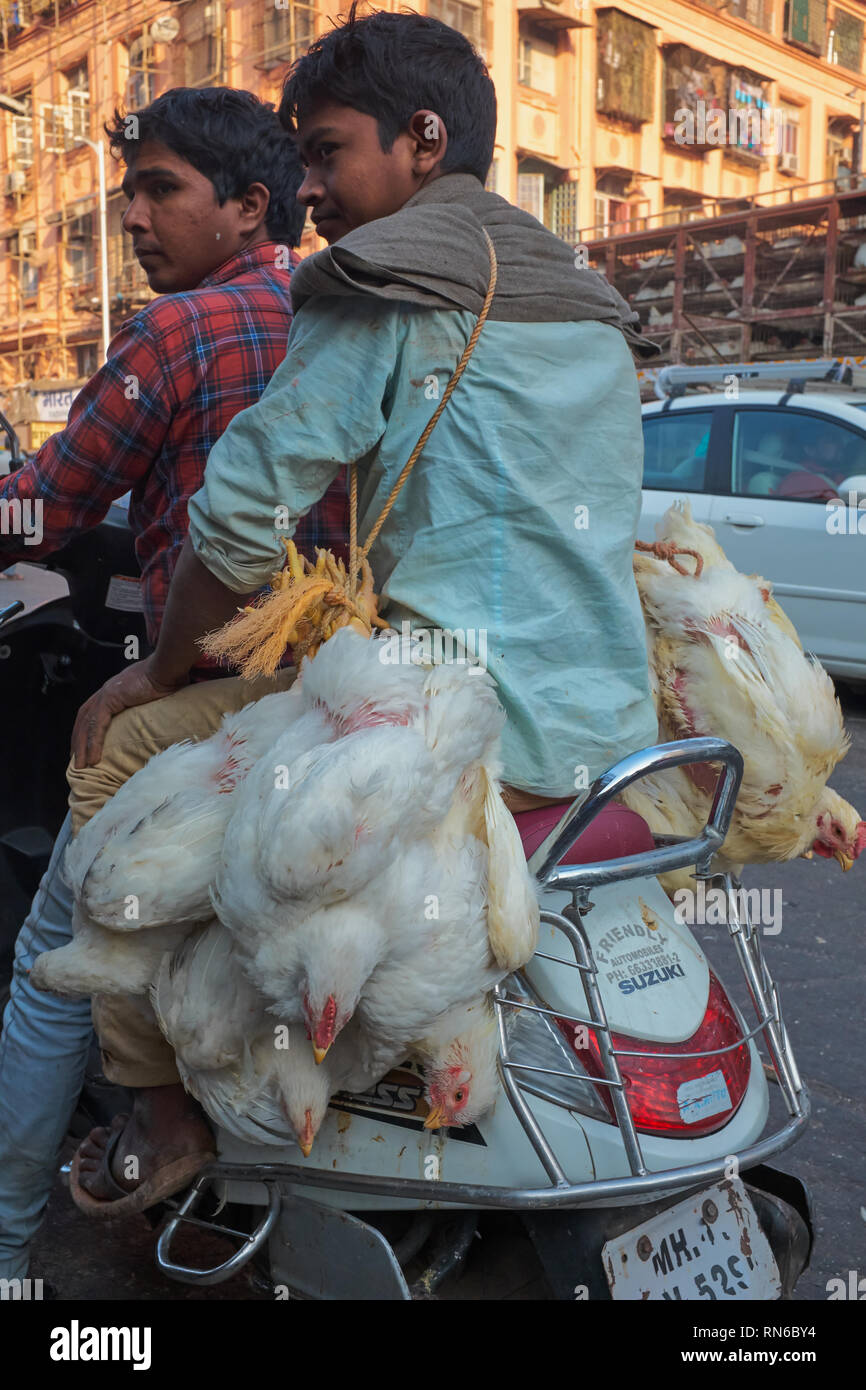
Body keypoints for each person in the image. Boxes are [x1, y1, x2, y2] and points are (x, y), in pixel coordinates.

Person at [68, 6, 659, 1213]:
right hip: (616, 733)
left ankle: (162, 1111)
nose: (307, 186)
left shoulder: (384, 276)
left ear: (422, 139)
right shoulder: (587, 301)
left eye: (327, 151)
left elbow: (238, 520)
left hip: (462, 730)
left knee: (118, 748)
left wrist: (160, 666)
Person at [0, 86, 346, 1279]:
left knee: (55, 968)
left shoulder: (178, 332)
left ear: (251, 206)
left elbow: (49, 502)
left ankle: (5, 1248)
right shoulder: (339, 314)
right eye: (130, 191)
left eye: (160, 190)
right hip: (350, 704)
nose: (135, 216)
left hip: (210, 705)